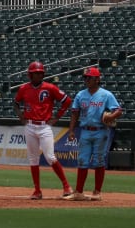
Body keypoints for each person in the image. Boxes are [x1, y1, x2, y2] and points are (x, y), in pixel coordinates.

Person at [13, 60, 73, 200]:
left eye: (40, 73)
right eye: (35, 73)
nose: (38, 75)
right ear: (30, 75)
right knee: (33, 158)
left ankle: (66, 186)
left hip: (44, 126)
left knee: (50, 156)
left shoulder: (50, 87)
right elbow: (16, 103)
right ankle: (37, 190)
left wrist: (57, 117)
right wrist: (20, 115)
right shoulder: (23, 88)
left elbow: (67, 101)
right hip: (30, 126)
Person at [65, 66, 123, 201]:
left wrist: (111, 117)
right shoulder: (81, 95)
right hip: (85, 131)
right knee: (82, 161)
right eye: (85, 78)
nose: (86, 80)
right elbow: (75, 113)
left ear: (97, 79)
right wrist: (72, 130)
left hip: (100, 132)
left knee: (99, 161)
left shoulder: (106, 94)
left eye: (89, 78)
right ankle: (78, 192)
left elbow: (118, 110)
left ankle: (97, 193)